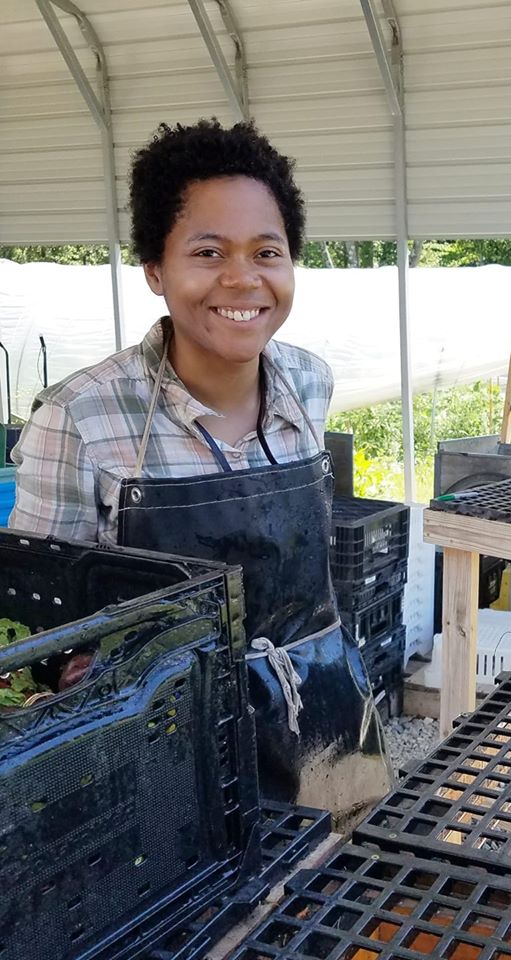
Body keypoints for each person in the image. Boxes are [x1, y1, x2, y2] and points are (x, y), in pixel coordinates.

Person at [9, 119, 391, 811]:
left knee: (338, 889)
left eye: (266, 252)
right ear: (156, 270)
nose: (242, 278)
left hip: (319, 708)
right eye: (208, 251)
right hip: (164, 742)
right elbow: (46, 622)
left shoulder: (309, 383)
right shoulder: (81, 415)